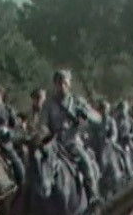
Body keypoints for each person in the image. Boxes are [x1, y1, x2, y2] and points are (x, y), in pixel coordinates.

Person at [39, 69, 101, 201]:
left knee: (87, 164)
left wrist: (86, 114)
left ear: (69, 85)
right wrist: (45, 134)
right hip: (53, 145)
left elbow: (97, 118)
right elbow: (43, 123)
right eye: (59, 83)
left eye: (64, 83)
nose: (62, 87)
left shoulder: (77, 101)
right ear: (54, 85)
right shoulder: (48, 105)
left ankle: (93, 196)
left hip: (72, 142)